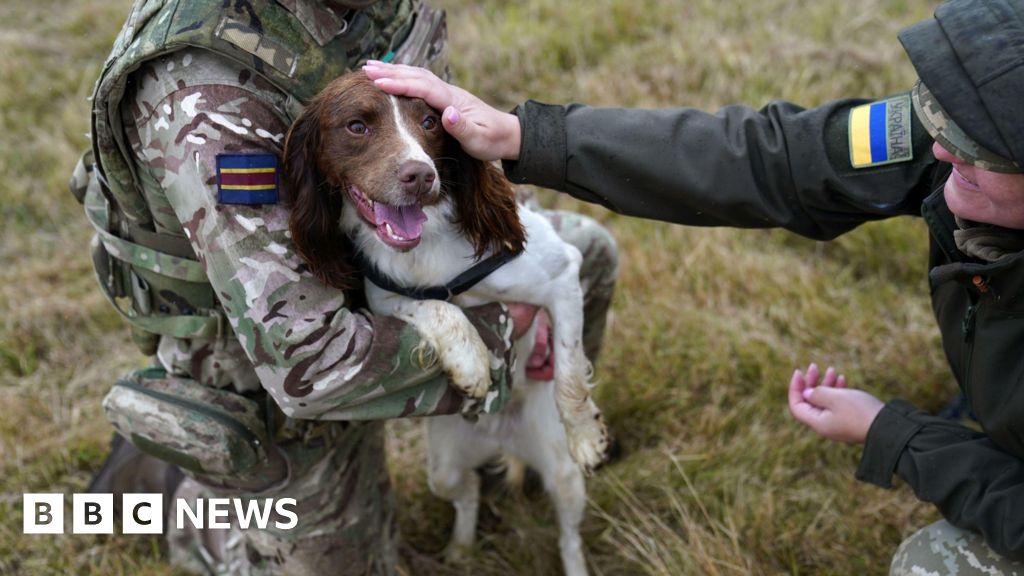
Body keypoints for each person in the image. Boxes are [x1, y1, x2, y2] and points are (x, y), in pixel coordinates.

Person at [363, 0, 1024, 573]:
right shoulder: (954, 142)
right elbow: (772, 158)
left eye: (978, 147)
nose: (941, 152)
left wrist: (896, 435)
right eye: (943, 122)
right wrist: (525, 137)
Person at [71, 1, 618, 574]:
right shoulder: (201, 79)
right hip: (267, 344)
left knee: (586, 254)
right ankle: (196, 501)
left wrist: (513, 257)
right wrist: (506, 326)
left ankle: (506, 451)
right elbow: (306, 364)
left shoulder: (392, 6)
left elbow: (437, 146)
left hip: (380, 252)